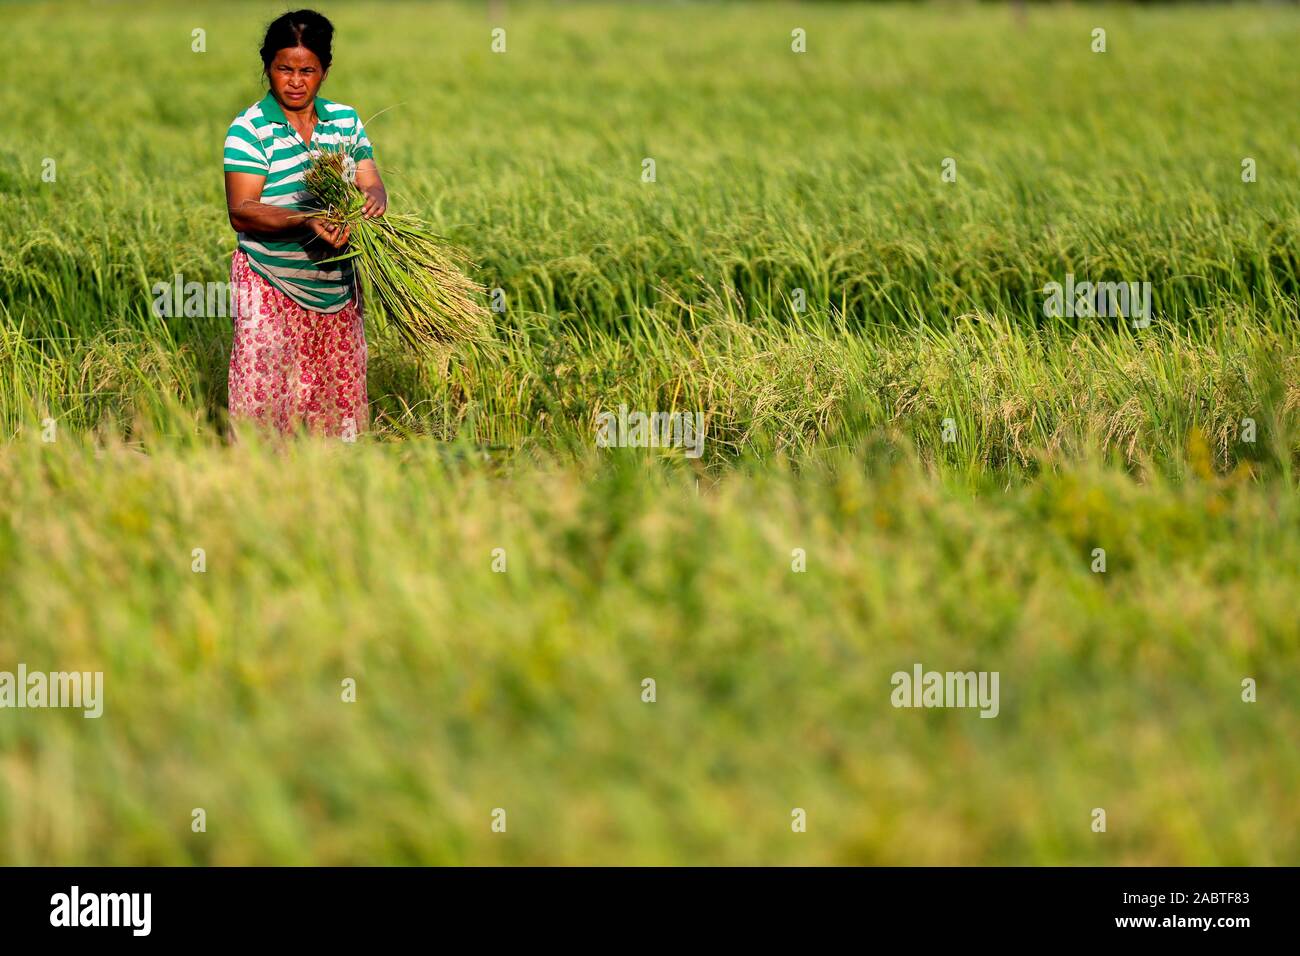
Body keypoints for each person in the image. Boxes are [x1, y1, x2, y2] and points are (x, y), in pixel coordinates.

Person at [222, 9, 387, 441]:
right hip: (269, 284)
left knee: (335, 411)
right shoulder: (250, 129)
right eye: (284, 69)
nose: (295, 81)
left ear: (325, 71)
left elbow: (371, 182)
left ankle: (331, 495)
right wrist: (306, 221)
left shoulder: (345, 122)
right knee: (266, 409)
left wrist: (372, 202)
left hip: (336, 287)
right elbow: (241, 209)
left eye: (307, 70)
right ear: (268, 67)